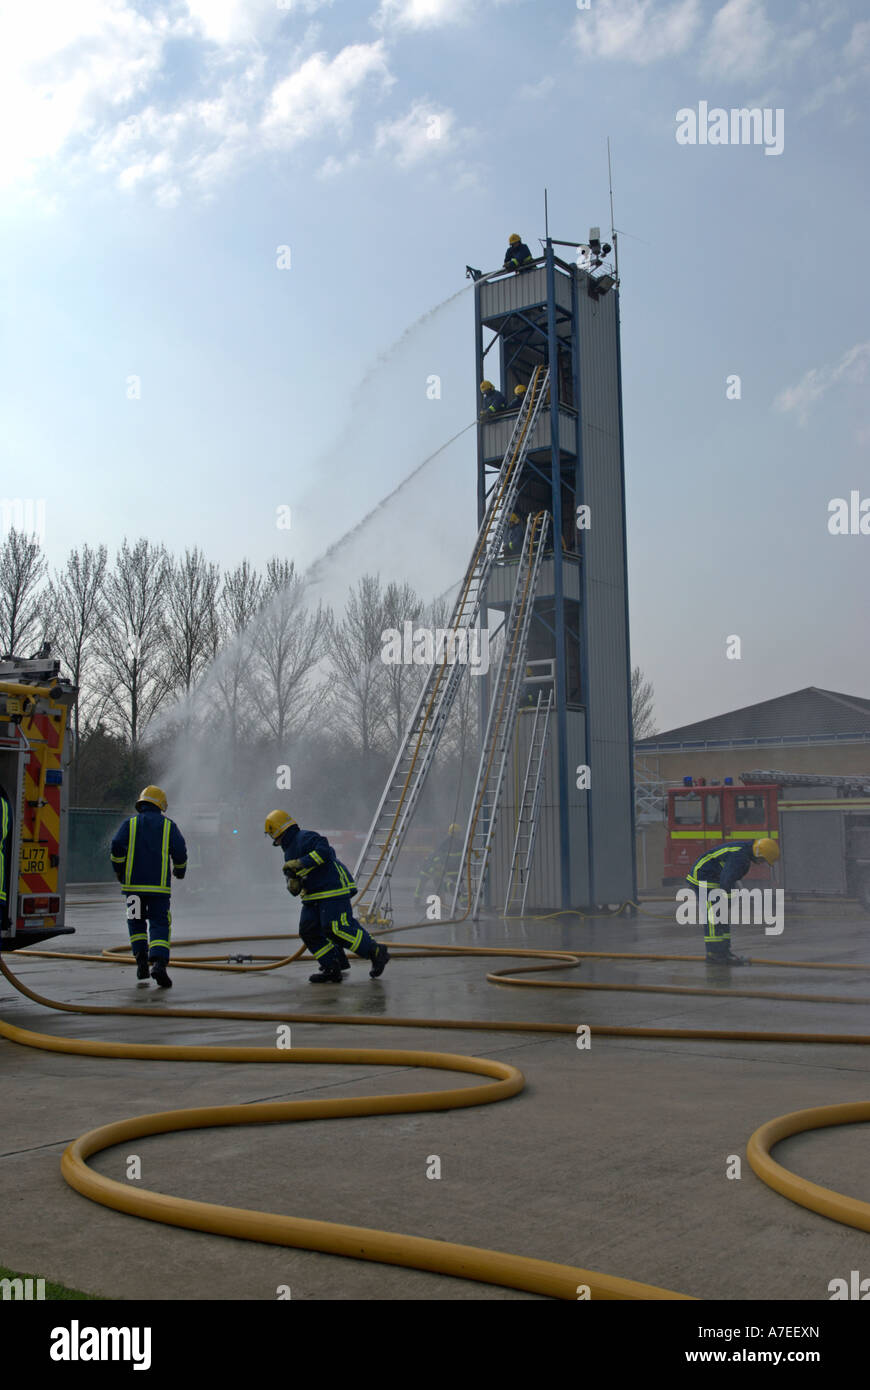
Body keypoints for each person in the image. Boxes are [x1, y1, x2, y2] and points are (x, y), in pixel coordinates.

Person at [265, 810, 388, 985]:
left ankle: (375, 951)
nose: (274, 841)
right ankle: (332, 966)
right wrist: (293, 882)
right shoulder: (288, 851)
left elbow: (325, 851)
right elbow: (297, 874)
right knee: (308, 931)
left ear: (278, 831)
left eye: (273, 836)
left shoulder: (305, 837)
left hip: (332, 888)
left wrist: (301, 863)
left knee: (336, 927)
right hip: (313, 896)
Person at [110, 786, 187, 988]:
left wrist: (119, 869)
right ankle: (159, 964)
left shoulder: (130, 824)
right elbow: (180, 849)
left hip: (133, 889)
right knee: (159, 923)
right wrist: (180, 870)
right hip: (158, 891)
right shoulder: (169, 826)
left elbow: (116, 845)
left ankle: (141, 962)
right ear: (160, 805)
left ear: (141, 803)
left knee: (135, 922)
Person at [686, 837, 780, 964]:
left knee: (721, 916)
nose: (761, 863)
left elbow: (729, 880)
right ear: (759, 854)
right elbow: (726, 881)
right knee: (714, 916)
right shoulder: (740, 858)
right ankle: (715, 954)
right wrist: (728, 900)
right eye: (763, 860)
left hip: (712, 876)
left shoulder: (744, 853)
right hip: (704, 877)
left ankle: (724, 952)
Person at [414, 824, 465, 907]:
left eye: (459, 833)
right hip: (447, 868)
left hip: (451, 868)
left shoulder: (451, 843)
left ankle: (463, 903)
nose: (458, 835)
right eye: (457, 833)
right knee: (438, 884)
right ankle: (418, 902)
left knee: (455, 886)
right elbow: (439, 860)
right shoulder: (446, 844)